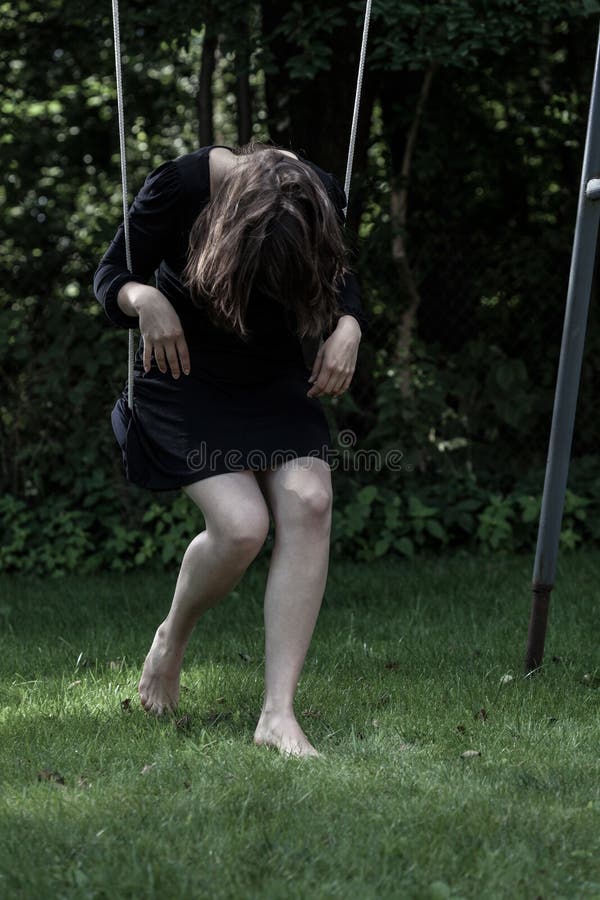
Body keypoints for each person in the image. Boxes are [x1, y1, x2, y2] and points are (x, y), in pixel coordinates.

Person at [93, 139, 370, 758]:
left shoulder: (320, 194)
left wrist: (349, 325)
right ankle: (171, 638)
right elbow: (110, 275)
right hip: (181, 367)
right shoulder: (182, 187)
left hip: (271, 375)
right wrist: (148, 300)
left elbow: (342, 280)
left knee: (310, 500)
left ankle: (278, 714)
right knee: (242, 527)